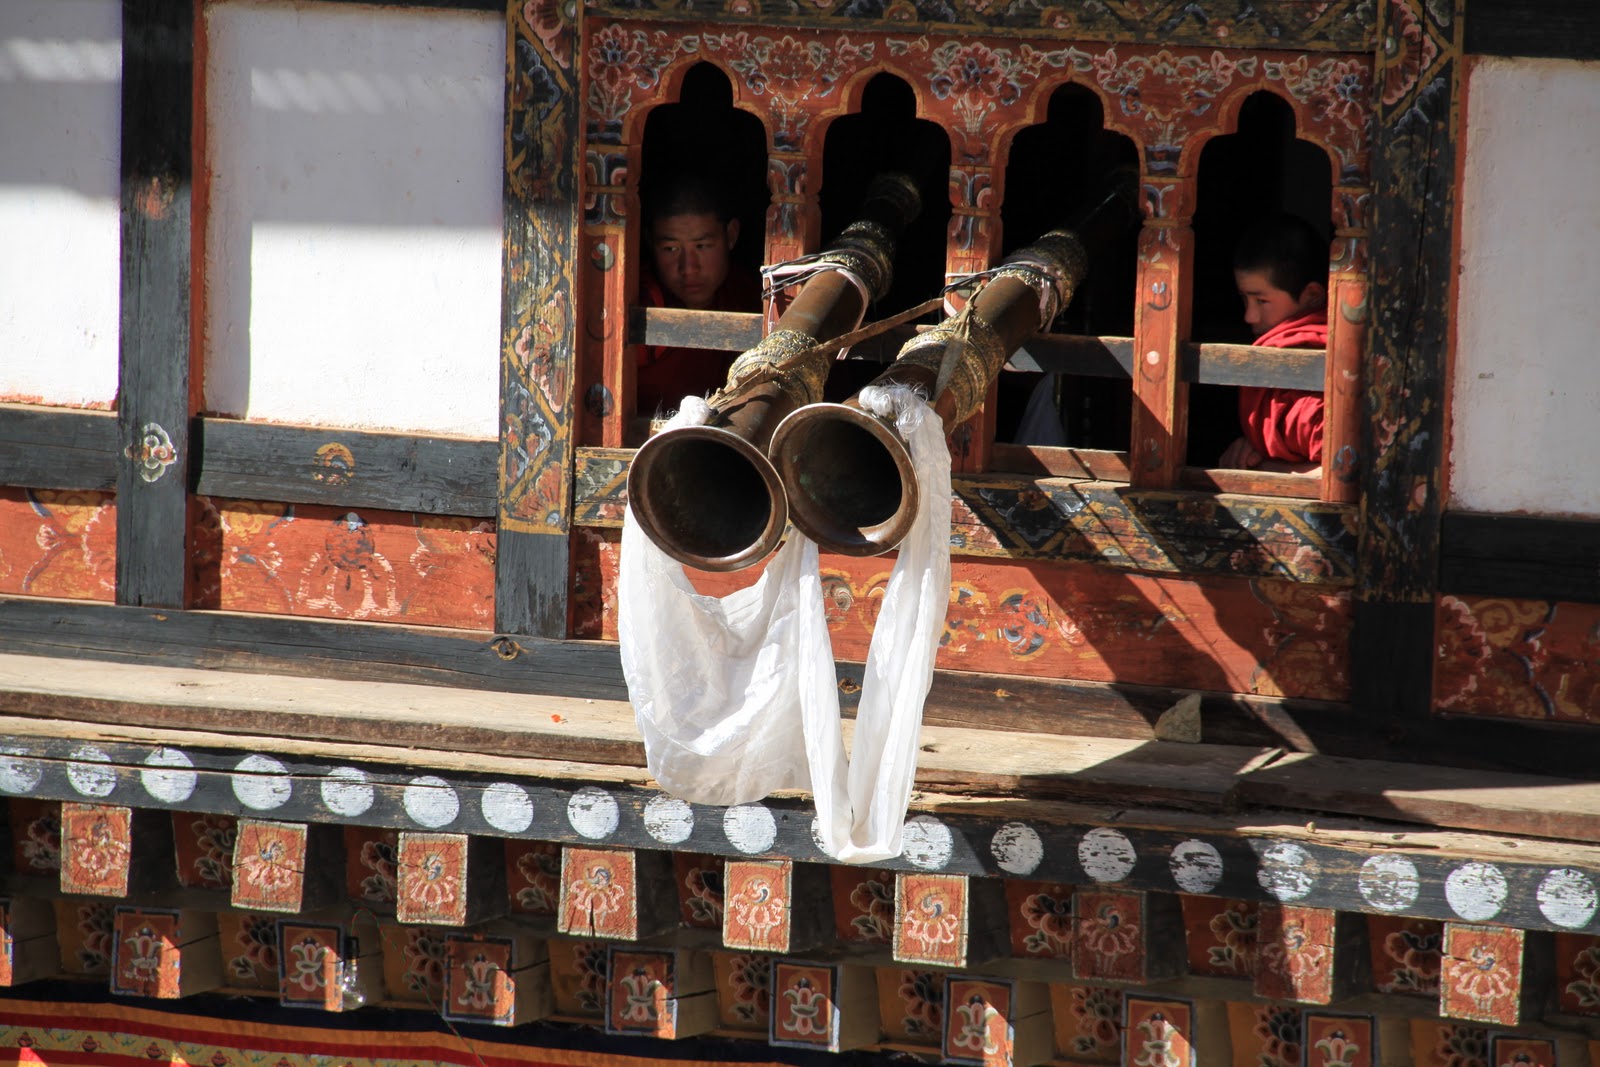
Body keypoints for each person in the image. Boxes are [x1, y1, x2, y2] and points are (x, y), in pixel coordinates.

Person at [635, 175, 762, 415]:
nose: (689, 268)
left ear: (731, 236)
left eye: (702, 246)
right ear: (650, 242)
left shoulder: (748, 292)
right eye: (671, 249)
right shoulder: (643, 301)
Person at [1217, 213, 1329, 473]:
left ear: (1312, 296)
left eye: (1261, 301)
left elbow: (1344, 474)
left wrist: (1266, 467)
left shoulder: (1332, 356)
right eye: (1245, 299)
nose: (1249, 316)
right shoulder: (1275, 350)